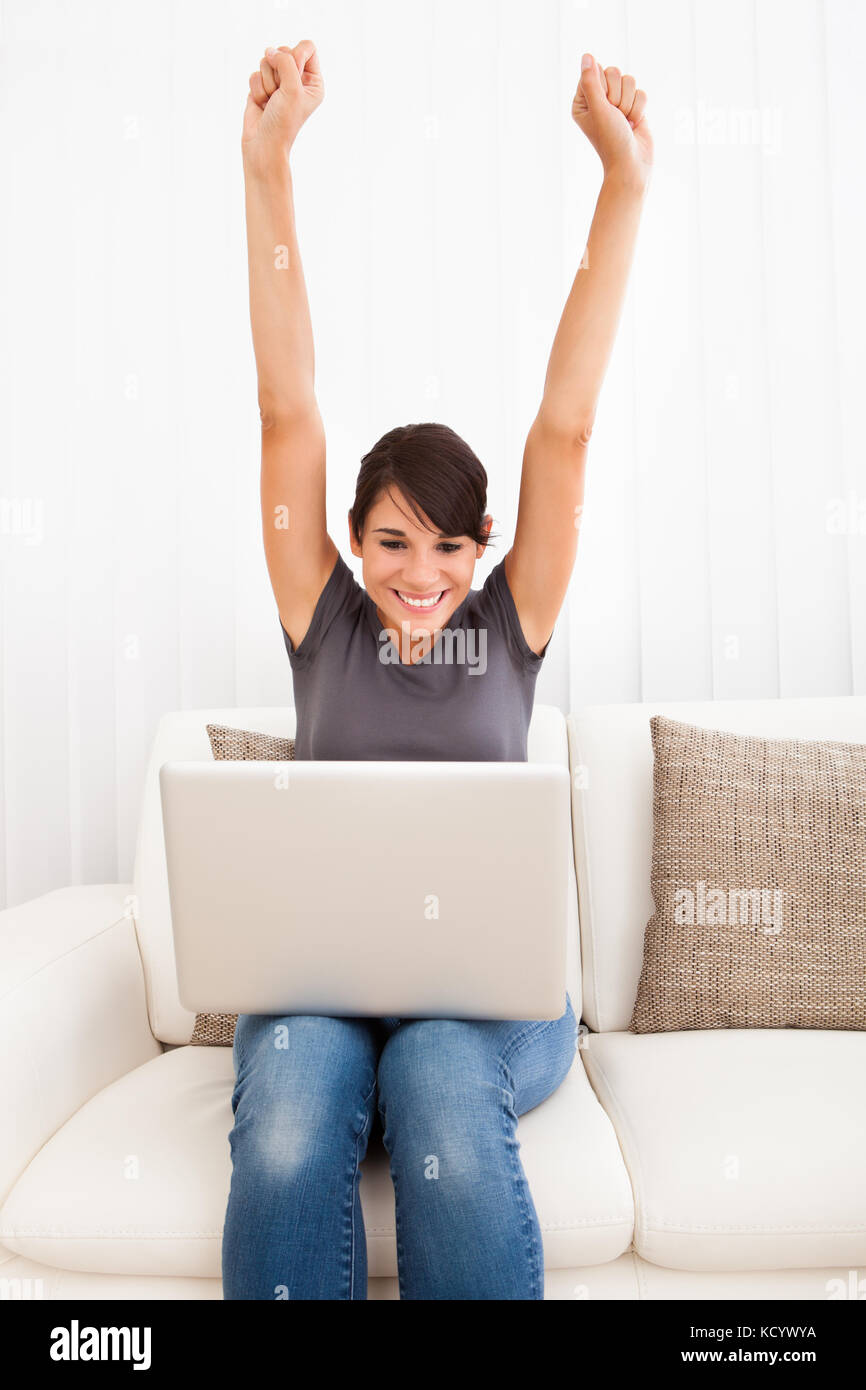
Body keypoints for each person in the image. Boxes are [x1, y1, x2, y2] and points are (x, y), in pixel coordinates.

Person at [222, 40, 652, 1300]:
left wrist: (620, 184)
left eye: (448, 545)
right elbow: (285, 409)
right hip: (317, 987)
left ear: (484, 549)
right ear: (351, 543)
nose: (420, 574)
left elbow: (562, 423)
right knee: (295, 1116)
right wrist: (267, 165)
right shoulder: (325, 618)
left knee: (435, 1085)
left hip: (490, 1000)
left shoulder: (509, 621)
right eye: (392, 542)